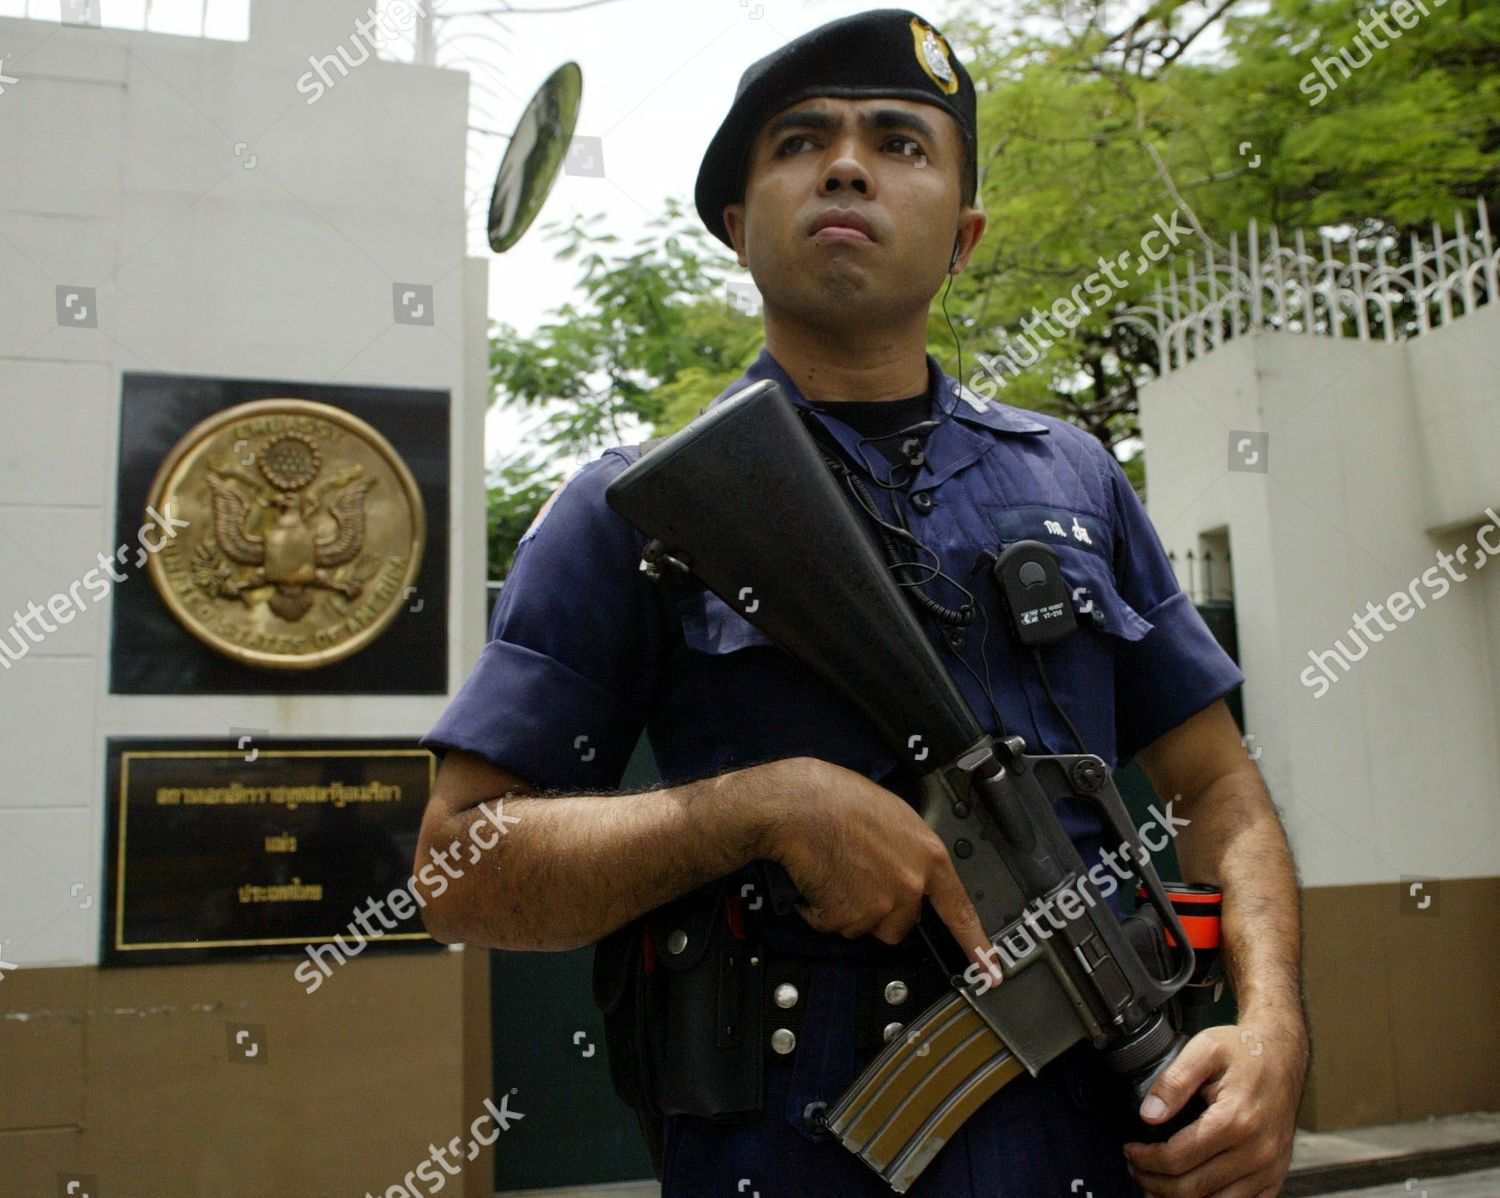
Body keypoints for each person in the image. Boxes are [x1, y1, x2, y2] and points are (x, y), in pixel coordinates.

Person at [415, 9, 1309, 1197]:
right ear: (738, 229)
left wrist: (1274, 1026)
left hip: (1106, 1140)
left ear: (965, 236)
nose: (846, 163)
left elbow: (1215, 786)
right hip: (792, 1156)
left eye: (901, 141)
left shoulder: (1077, 479)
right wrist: (755, 809)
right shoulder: (632, 510)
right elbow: (458, 869)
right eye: (799, 142)